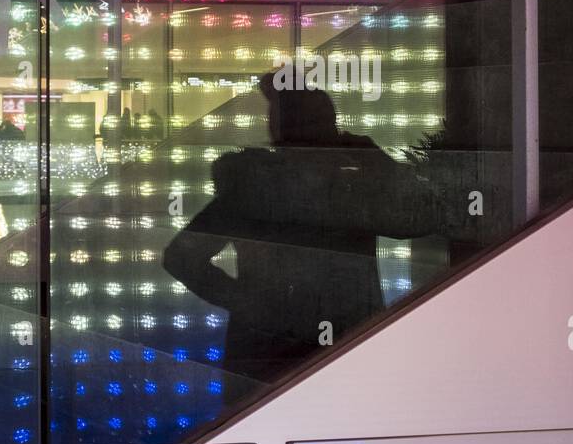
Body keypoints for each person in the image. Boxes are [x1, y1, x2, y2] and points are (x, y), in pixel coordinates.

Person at [162, 73, 438, 386]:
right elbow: (424, 218)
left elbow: (181, 257)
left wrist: (251, 304)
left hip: (273, 349)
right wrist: (378, 163)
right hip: (345, 342)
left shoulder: (256, 190)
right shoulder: (346, 191)